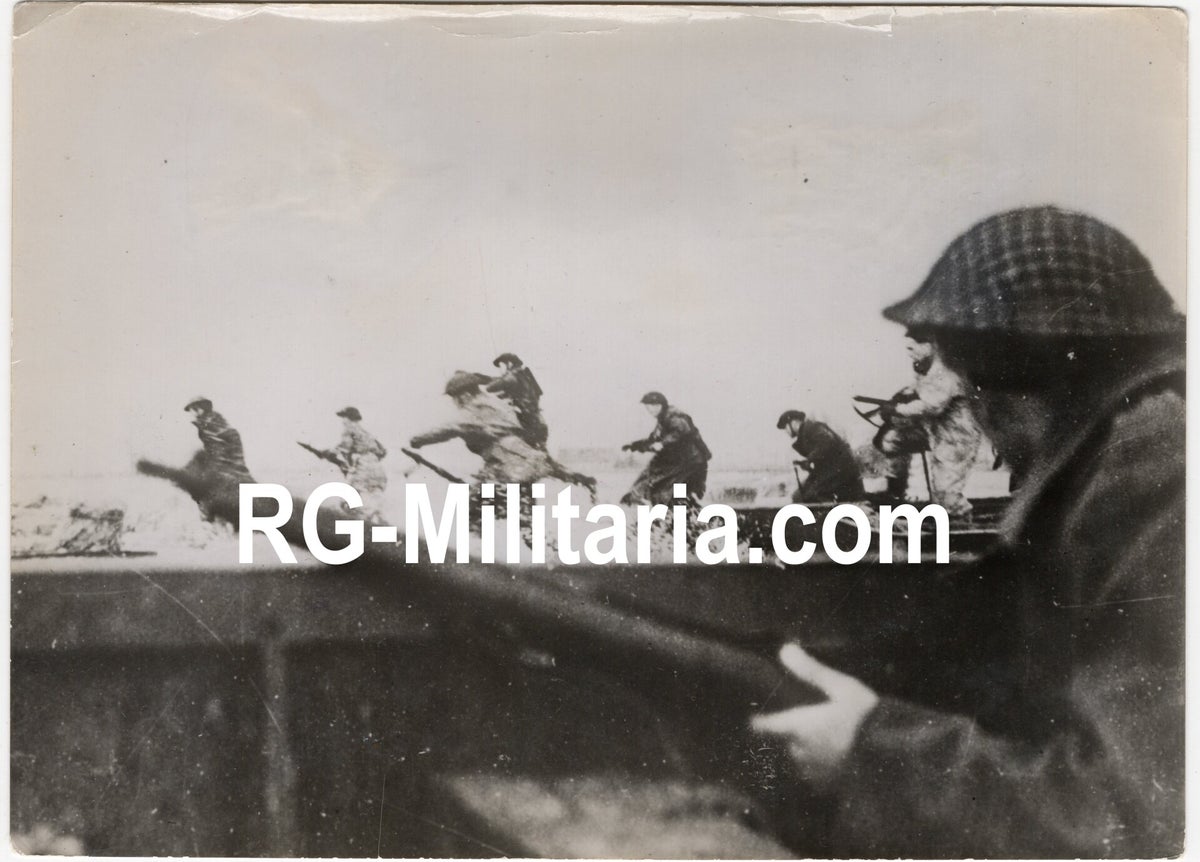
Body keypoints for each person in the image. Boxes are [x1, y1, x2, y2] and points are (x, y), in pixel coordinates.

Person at [752, 206, 1184, 857]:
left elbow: (1130, 814)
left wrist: (869, 750)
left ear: (1001, 386)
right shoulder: (1144, 445)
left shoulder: (1151, 467)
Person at [871, 333, 983, 517]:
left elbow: (931, 406)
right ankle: (894, 494)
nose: (909, 352)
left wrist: (898, 408)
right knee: (891, 439)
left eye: (912, 347)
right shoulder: (924, 368)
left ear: (930, 345)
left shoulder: (946, 371)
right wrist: (898, 398)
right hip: (935, 431)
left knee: (946, 494)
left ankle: (963, 522)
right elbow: (916, 388)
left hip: (957, 438)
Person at [621, 392, 711, 506]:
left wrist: (663, 443)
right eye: (647, 407)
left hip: (690, 464)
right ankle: (685, 516)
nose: (649, 410)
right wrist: (634, 446)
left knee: (669, 494)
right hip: (682, 464)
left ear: (659, 405)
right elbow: (653, 440)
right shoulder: (662, 421)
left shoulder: (674, 416)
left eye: (651, 407)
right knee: (667, 495)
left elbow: (680, 431)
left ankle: (692, 517)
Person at [183, 397, 254, 524]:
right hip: (238, 473)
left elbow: (217, 453)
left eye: (194, 409)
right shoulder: (219, 424)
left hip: (228, 474)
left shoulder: (210, 426)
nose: (192, 413)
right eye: (191, 410)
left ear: (202, 408)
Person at [776, 410, 863, 503]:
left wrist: (810, 460)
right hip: (832, 472)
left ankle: (826, 513)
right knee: (799, 496)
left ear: (793, 423)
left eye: (785, 427)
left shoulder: (811, 427)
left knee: (811, 494)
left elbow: (827, 442)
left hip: (841, 472)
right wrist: (805, 463)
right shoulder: (805, 434)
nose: (786, 432)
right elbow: (820, 455)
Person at [320, 407, 389, 523]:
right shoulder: (367, 434)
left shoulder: (349, 429)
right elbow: (383, 451)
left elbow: (344, 447)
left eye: (344, 417)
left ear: (350, 418)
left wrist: (327, 453)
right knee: (375, 500)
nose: (343, 421)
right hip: (378, 470)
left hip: (363, 468)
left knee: (351, 498)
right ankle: (383, 525)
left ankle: (359, 522)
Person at [486, 353, 548, 449]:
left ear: (509, 363)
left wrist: (483, 380)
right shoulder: (525, 376)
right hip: (535, 419)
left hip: (524, 420)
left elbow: (490, 388)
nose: (503, 370)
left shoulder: (512, 376)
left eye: (502, 365)